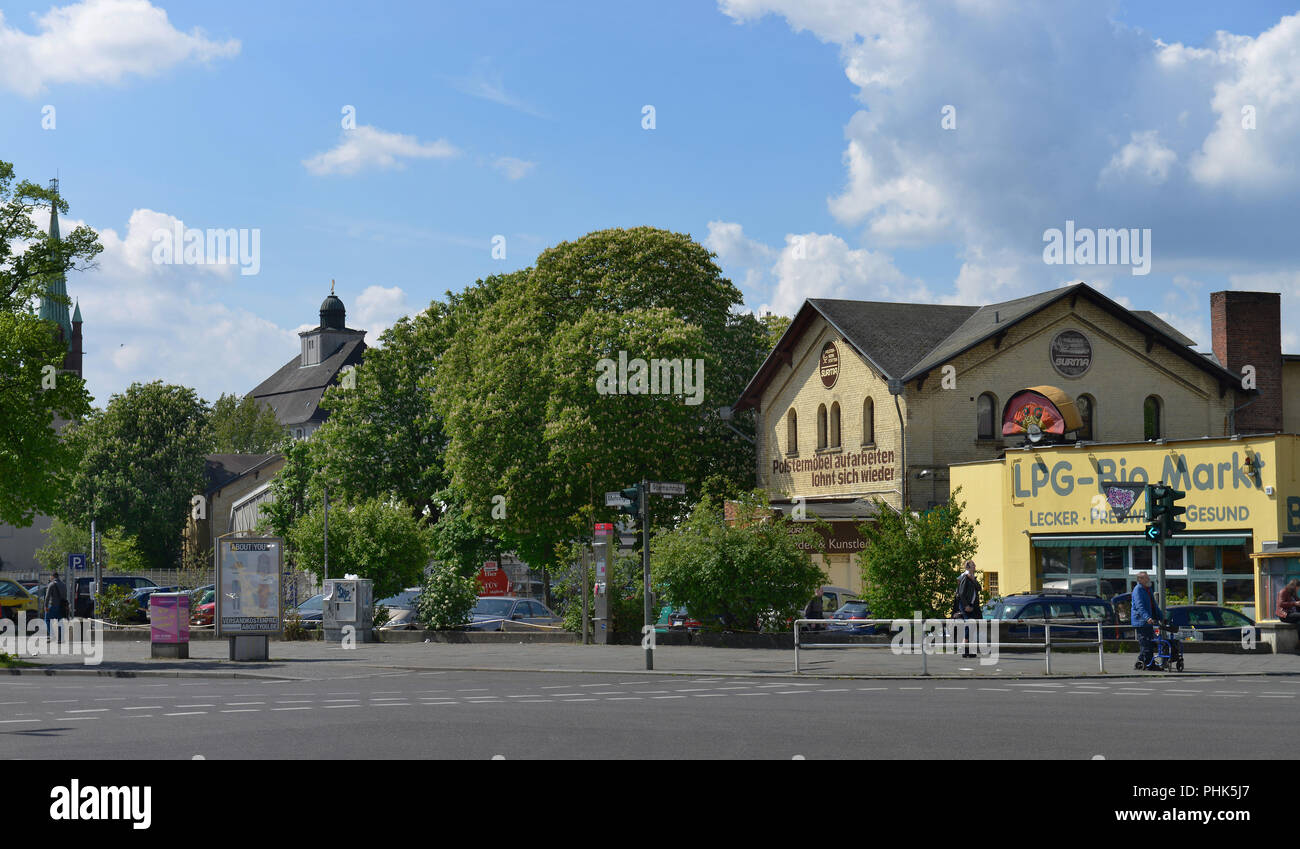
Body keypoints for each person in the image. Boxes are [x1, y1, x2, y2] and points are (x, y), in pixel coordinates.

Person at [1131, 571, 1163, 669]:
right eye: (1146, 578)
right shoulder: (1138, 590)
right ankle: (1150, 665)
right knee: (1146, 643)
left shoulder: (1148, 589)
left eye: (1148, 577)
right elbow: (1140, 606)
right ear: (1140, 580)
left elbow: (1154, 605)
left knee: (1148, 642)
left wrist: (1161, 616)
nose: (1149, 579)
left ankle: (1140, 662)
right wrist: (1147, 617)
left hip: (1148, 621)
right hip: (1141, 621)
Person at [953, 560, 981, 658]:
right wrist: (966, 606)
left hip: (972, 605)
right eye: (973, 565)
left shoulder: (972, 577)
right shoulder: (965, 577)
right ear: (968, 567)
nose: (975, 566)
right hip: (965, 605)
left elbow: (979, 588)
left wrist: (973, 580)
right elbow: (961, 593)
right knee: (969, 625)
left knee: (971, 626)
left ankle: (968, 650)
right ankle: (964, 646)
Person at [1276, 579, 1300, 648]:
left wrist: (1297, 602)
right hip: (1284, 615)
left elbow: (1297, 601)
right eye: (1298, 588)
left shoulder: (1293, 593)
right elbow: (1281, 604)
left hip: (1292, 613)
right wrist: (1294, 603)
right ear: (1294, 586)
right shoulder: (1283, 591)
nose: (1298, 590)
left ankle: (1299, 642)